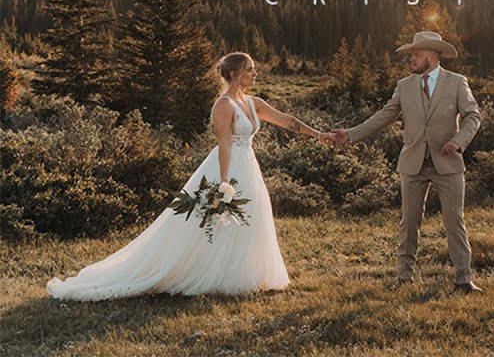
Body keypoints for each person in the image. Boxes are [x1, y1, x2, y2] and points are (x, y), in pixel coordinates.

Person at [47, 52, 333, 301]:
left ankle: (244, 274)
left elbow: (288, 121)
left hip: (249, 165)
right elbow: (223, 144)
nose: (255, 73)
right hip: (228, 166)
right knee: (214, 224)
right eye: (249, 69)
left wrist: (320, 135)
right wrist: (223, 184)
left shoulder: (252, 102)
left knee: (250, 220)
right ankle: (211, 275)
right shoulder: (223, 105)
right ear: (234, 74)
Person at [332, 31, 482, 293]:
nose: (410, 59)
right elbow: (384, 116)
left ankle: (463, 279)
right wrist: (351, 134)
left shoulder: (457, 82)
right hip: (412, 164)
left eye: (415, 54)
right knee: (409, 221)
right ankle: (404, 277)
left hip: (447, 163)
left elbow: (472, 116)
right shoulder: (405, 86)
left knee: (454, 221)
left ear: (431, 56)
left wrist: (459, 141)